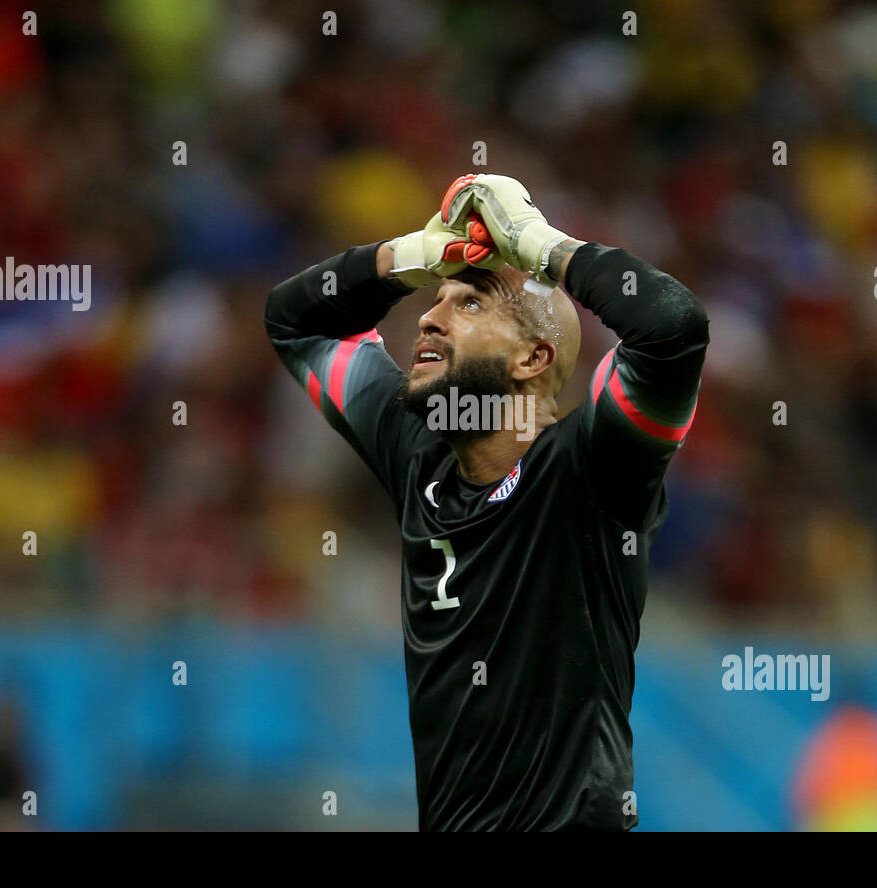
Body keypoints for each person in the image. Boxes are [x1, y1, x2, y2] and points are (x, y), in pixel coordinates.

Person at [265, 174, 709, 830]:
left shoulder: (593, 470)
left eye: (469, 305)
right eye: (435, 299)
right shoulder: (416, 454)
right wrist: (416, 255)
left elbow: (672, 327)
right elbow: (293, 319)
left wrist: (538, 244)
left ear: (534, 357)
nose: (428, 316)